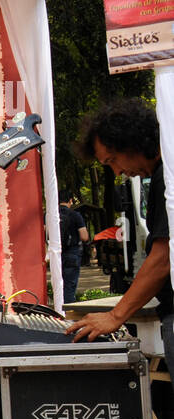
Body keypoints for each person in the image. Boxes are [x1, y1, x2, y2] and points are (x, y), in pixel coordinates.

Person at [69, 101, 172, 367]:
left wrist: (115, 316)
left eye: (112, 160)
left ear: (132, 141)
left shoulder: (167, 176)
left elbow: (164, 258)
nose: (116, 172)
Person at [58, 191, 89, 305]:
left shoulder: (49, 214)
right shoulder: (75, 215)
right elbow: (84, 236)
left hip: (56, 254)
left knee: (58, 283)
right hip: (72, 253)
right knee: (69, 285)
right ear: (70, 201)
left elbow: (44, 233)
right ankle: (68, 312)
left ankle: (58, 309)